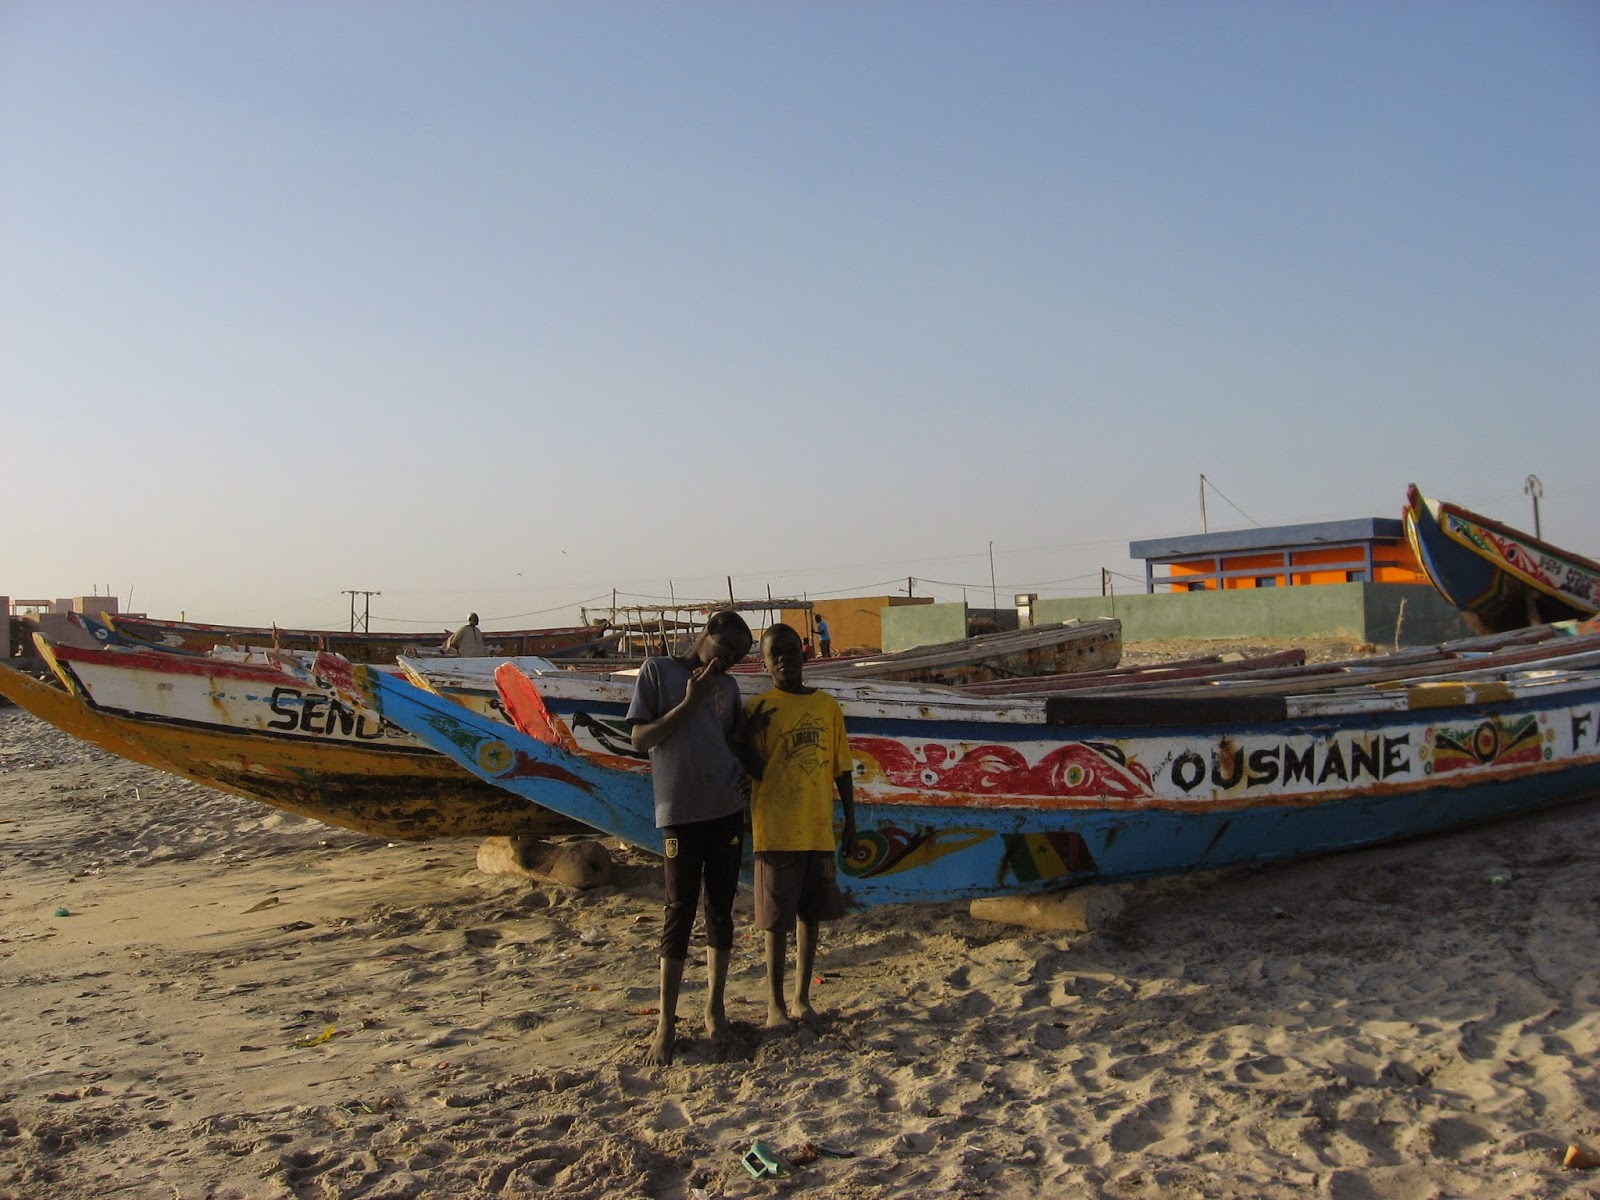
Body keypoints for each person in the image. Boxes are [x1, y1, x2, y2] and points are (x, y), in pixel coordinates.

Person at [627, 610, 755, 1066]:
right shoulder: (658, 672)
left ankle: (715, 1007)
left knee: (720, 910)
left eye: (738, 658)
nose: (729, 663)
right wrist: (688, 701)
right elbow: (642, 739)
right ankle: (666, 1021)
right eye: (725, 651)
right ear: (707, 634)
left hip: (726, 809)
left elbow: (734, 742)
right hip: (679, 813)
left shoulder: (729, 687)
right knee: (678, 910)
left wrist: (745, 776)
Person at [743, 623, 855, 1030]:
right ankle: (774, 1004)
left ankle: (802, 998)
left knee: (812, 916)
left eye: (792, 651)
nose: (786, 660)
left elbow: (842, 771)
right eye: (776, 654)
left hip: (818, 829)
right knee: (775, 921)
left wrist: (852, 826)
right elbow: (749, 766)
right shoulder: (756, 709)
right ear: (764, 662)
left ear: (804, 654)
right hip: (774, 829)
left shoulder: (827, 707)